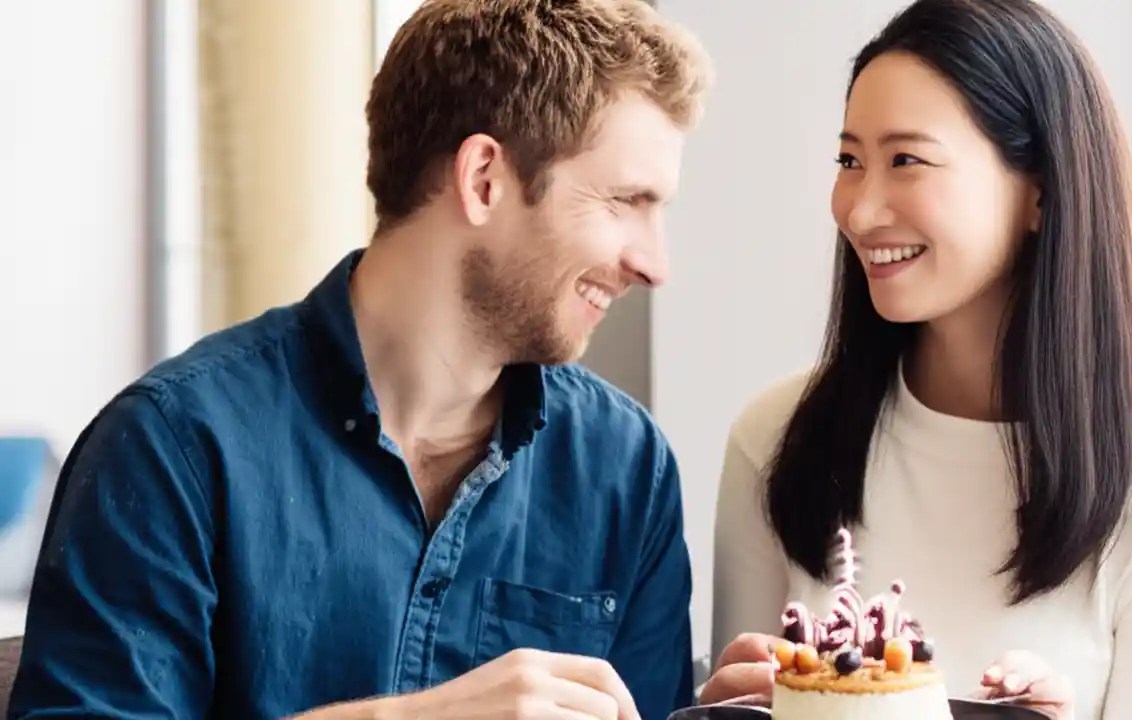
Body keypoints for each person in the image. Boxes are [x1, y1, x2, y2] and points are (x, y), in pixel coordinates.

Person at [10, 1, 712, 718]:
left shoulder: (626, 468)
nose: (655, 264)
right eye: (626, 201)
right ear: (483, 181)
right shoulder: (170, 447)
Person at [701, 1, 1132, 719]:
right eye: (849, 161)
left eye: (907, 161)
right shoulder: (777, 441)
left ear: (1041, 192)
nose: (859, 211)